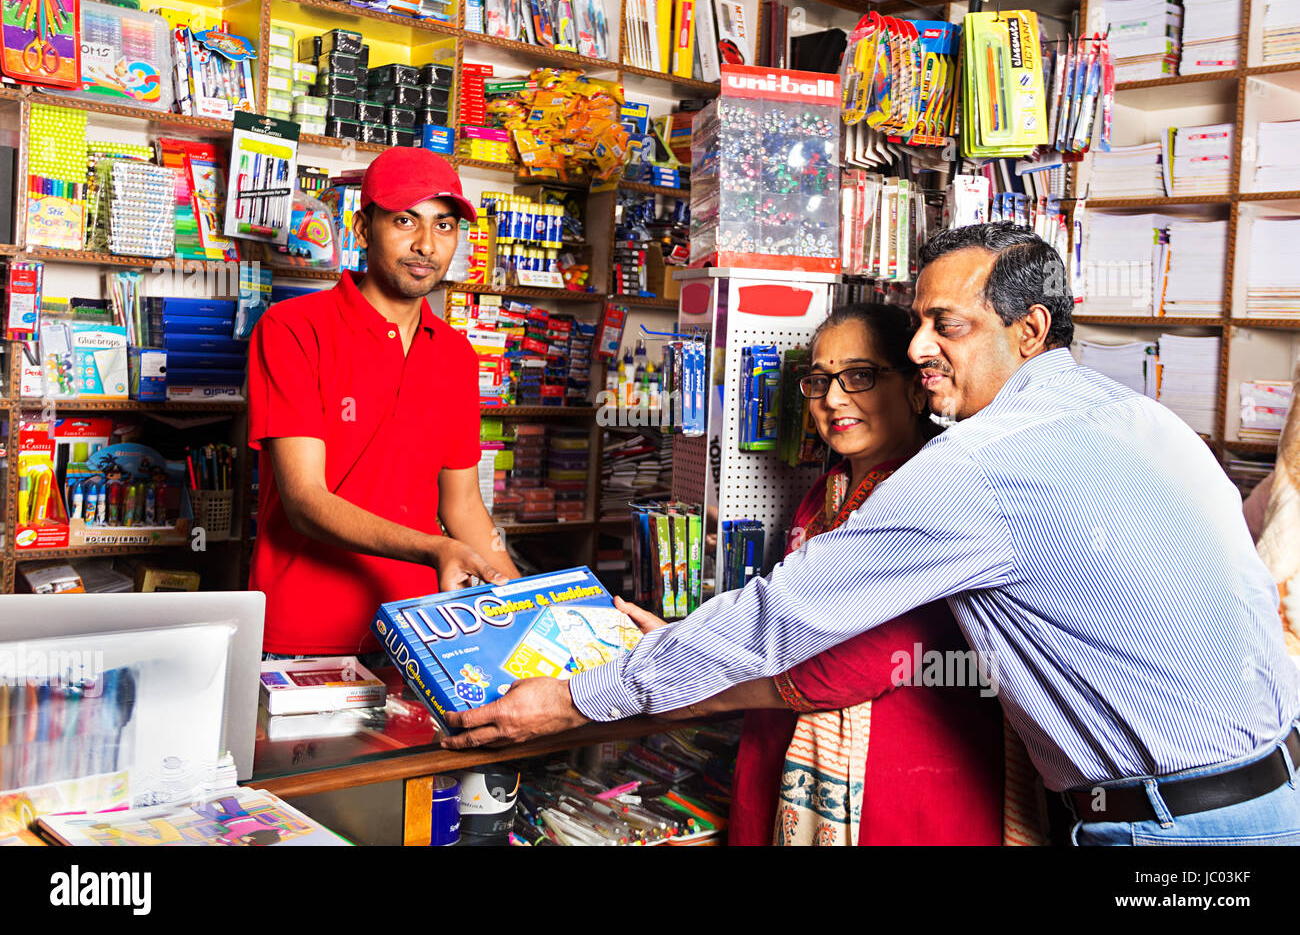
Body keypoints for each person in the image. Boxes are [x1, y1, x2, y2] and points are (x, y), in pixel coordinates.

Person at [443, 222, 1300, 847]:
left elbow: (786, 626)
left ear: (1030, 331)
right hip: (1265, 794)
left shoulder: (980, 464)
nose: (924, 347)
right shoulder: (1142, 420)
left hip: (1172, 832)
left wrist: (569, 698)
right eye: (919, 323)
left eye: (947, 327)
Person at [621, 302, 1015, 846]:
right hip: (785, 752)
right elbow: (781, 627)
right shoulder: (822, 494)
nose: (832, 399)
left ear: (914, 388)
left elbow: (857, 663)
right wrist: (678, 647)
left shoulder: (935, 496)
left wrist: (673, 679)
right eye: (820, 380)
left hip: (900, 770)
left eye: (859, 376)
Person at [248, 147, 515, 659]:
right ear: (363, 227)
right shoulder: (292, 330)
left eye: (444, 226)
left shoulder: (456, 354)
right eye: (404, 220)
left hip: (425, 635)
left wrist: (527, 607)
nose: (425, 245)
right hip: (304, 636)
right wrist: (435, 548)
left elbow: (463, 508)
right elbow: (306, 502)